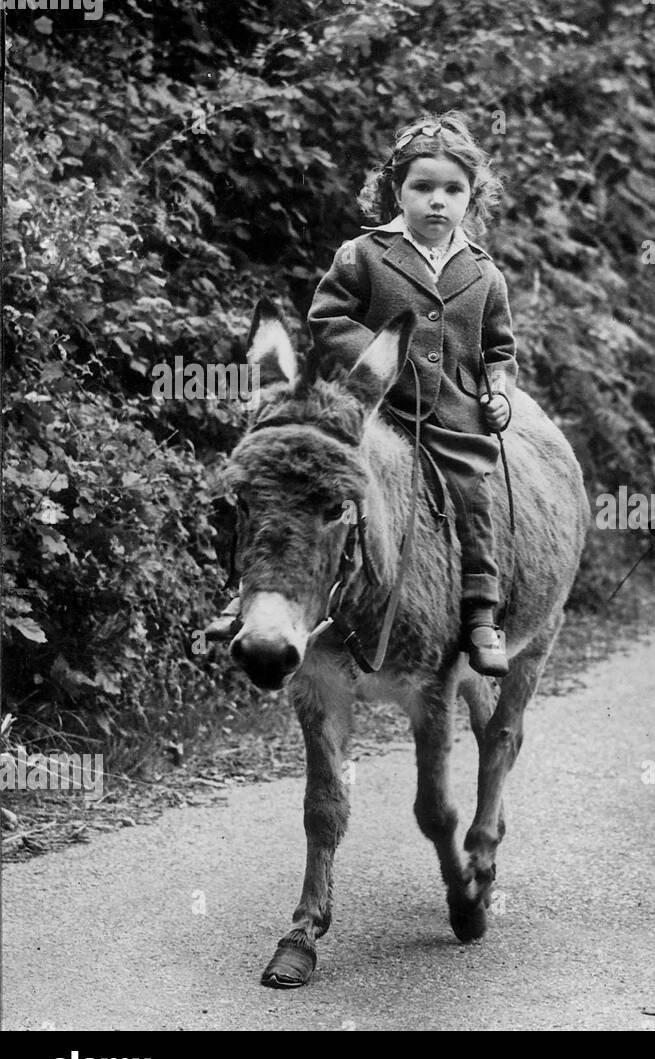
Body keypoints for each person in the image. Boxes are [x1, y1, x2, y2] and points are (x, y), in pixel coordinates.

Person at [209, 112, 516, 675]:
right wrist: (377, 362)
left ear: (471, 198)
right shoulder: (363, 254)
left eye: (453, 189)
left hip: (453, 415)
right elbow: (328, 318)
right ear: (395, 190)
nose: (437, 202)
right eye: (422, 187)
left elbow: (498, 350)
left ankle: (480, 609)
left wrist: (499, 391)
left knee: (475, 494)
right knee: (286, 487)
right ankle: (245, 596)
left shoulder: (485, 274)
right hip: (374, 408)